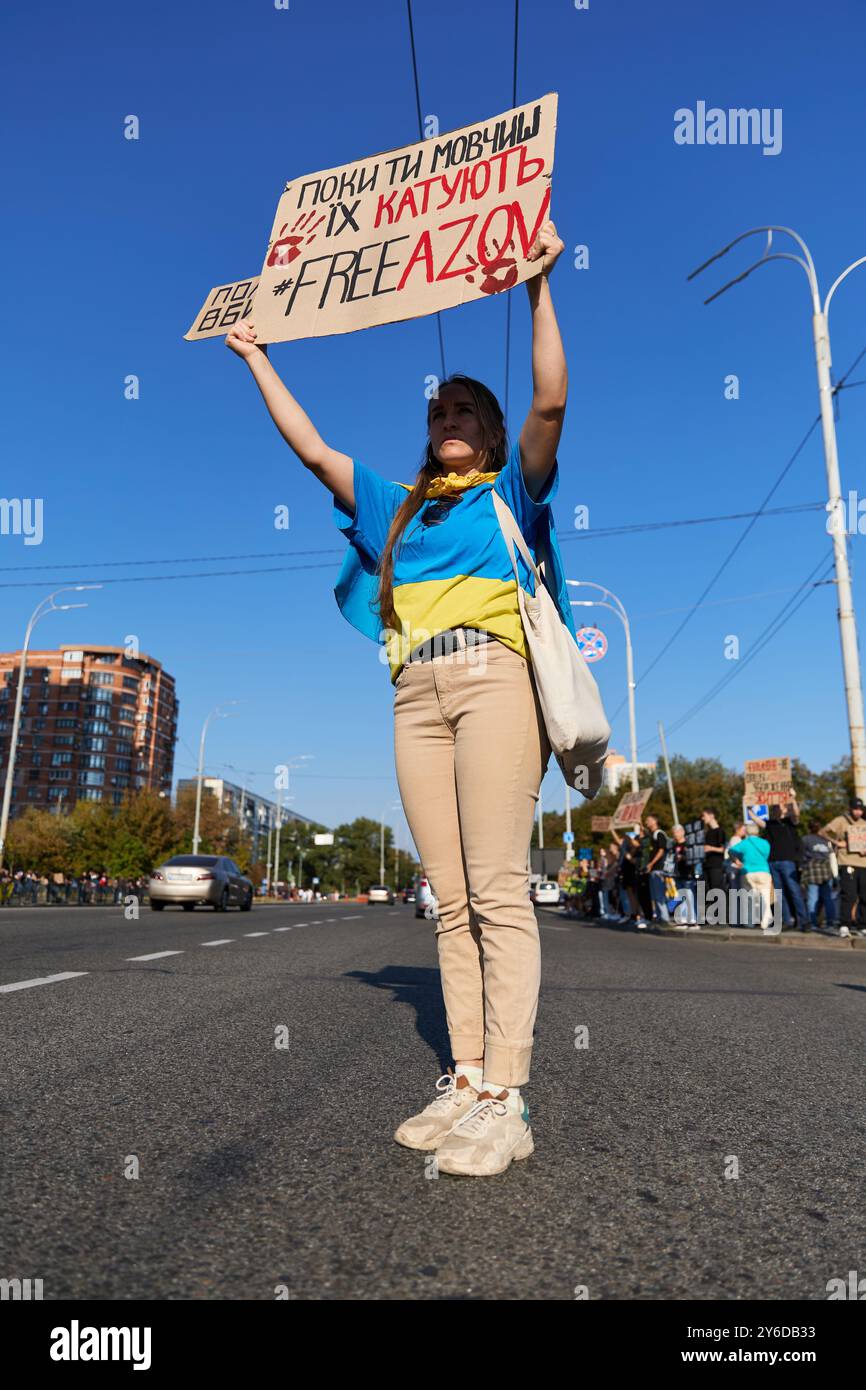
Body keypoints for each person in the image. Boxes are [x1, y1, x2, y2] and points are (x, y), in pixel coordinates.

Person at [227, 219, 576, 1178]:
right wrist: (257, 356)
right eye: (438, 409)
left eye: (466, 408)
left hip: (496, 679)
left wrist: (540, 285)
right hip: (413, 697)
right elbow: (311, 449)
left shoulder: (515, 493)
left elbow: (550, 399)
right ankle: (466, 1078)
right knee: (449, 898)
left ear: (490, 434)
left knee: (500, 890)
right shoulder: (399, 506)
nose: (449, 416)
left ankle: (509, 1097)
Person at [754, 797, 809, 931]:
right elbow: (757, 820)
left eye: (781, 806)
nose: (779, 807)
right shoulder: (770, 823)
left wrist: (793, 798)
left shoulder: (789, 822)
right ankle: (787, 920)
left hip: (787, 861)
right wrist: (749, 804)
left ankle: (804, 921)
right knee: (780, 893)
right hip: (773, 862)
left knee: (794, 891)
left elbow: (796, 813)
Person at [821, 796, 866, 938]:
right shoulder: (841, 821)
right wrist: (837, 842)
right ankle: (844, 924)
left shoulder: (864, 823)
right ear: (850, 809)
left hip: (863, 863)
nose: (858, 812)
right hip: (847, 862)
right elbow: (823, 831)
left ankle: (862, 925)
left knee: (864, 895)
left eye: (860, 809)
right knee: (849, 895)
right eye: (856, 809)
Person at [727, 821, 775, 934]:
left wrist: (736, 860)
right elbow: (767, 856)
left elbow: (730, 851)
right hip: (764, 871)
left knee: (749, 898)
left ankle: (749, 922)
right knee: (765, 897)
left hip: (747, 872)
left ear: (747, 832)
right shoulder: (765, 843)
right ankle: (765, 922)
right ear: (758, 832)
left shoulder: (744, 843)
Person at [799, 820, 837, 933]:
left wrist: (802, 867)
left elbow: (802, 855)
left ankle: (813, 922)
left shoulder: (805, 839)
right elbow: (832, 855)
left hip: (812, 869)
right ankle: (831, 922)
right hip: (826, 869)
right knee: (828, 898)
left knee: (812, 897)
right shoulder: (826, 840)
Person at [700, 808, 727, 925]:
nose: (702, 818)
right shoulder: (707, 832)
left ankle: (721, 917)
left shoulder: (720, 831)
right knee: (708, 890)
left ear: (711, 815)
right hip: (706, 865)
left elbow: (723, 849)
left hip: (716, 865)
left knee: (717, 890)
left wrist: (711, 848)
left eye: (704, 815)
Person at [642, 812, 670, 924]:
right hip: (654, 869)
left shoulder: (659, 834)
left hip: (659, 868)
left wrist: (651, 863)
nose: (646, 822)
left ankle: (665, 918)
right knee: (655, 895)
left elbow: (661, 850)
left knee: (659, 895)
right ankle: (659, 917)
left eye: (648, 820)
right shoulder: (652, 834)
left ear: (655, 821)